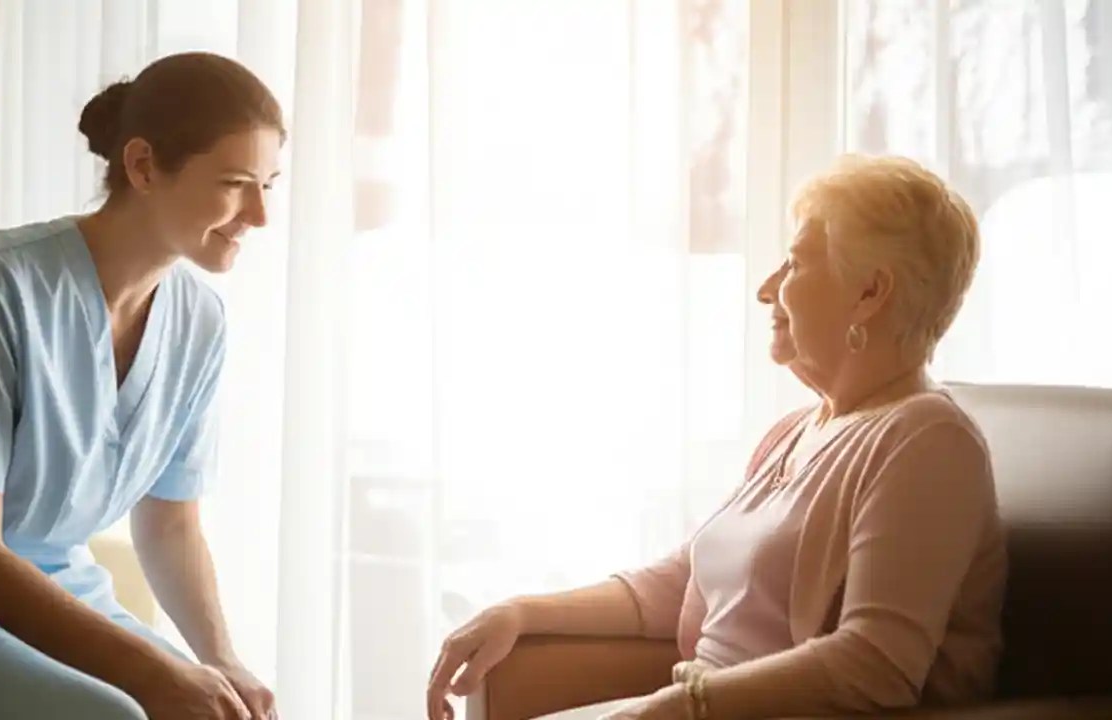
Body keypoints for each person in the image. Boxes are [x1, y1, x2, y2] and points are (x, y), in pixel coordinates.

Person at [426, 155, 1007, 720]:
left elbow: (877, 664)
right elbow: (683, 581)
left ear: (869, 293)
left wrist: (680, 707)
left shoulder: (928, 441)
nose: (767, 289)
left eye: (795, 264)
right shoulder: (797, 430)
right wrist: (521, 612)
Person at [0, 52, 283, 720]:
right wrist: (152, 674)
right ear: (143, 166)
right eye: (235, 183)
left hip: (59, 590)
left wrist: (220, 659)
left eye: (268, 184)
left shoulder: (199, 321)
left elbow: (171, 524)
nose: (259, 215)